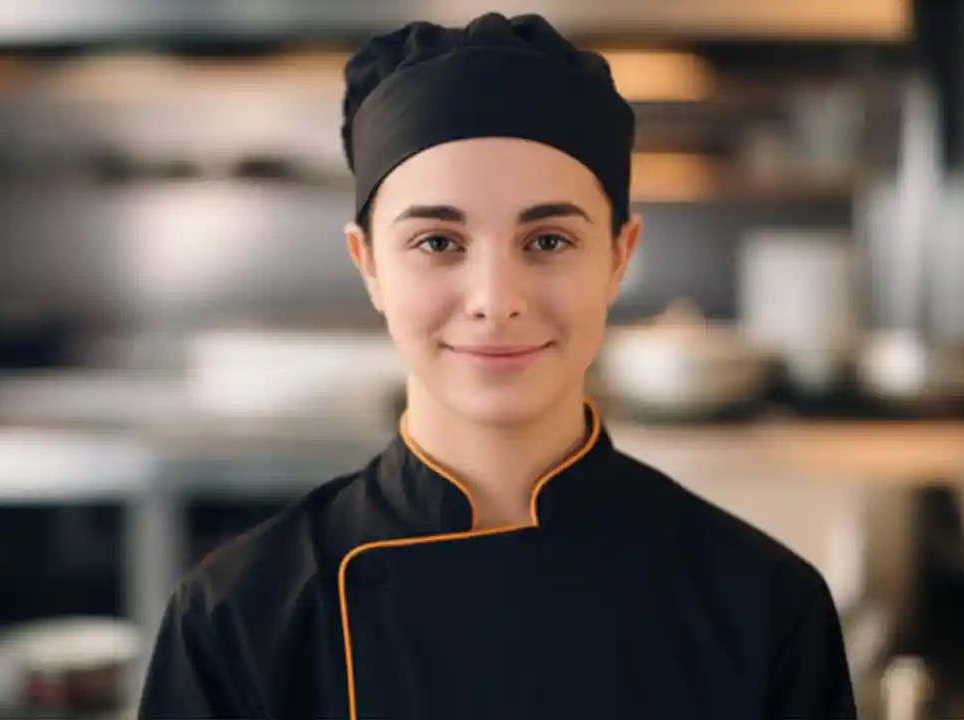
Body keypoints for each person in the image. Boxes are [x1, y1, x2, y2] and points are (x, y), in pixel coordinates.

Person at [138, 12, 857, 720]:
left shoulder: (765, 610)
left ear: (618, 257)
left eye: (547, 241)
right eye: (437, 242)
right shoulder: (236, 622)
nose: (495, 300)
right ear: (369, 264)